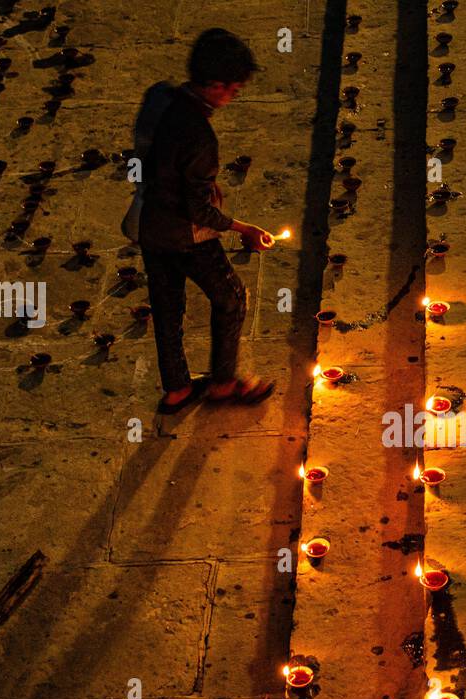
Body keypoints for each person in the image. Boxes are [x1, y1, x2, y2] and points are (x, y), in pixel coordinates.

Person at [137, 28, 278, 413]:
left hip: (150, 225)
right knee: (231, 297)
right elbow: (200, 212)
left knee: (167, 309)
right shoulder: (200, 136)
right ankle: (222, 383)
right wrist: (243, 228)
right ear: (215, 85)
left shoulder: (160, 96)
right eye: (233, 89)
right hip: (185, 235)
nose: (234, 95)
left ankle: (177, 389)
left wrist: (194, 178)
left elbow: (150, 147)